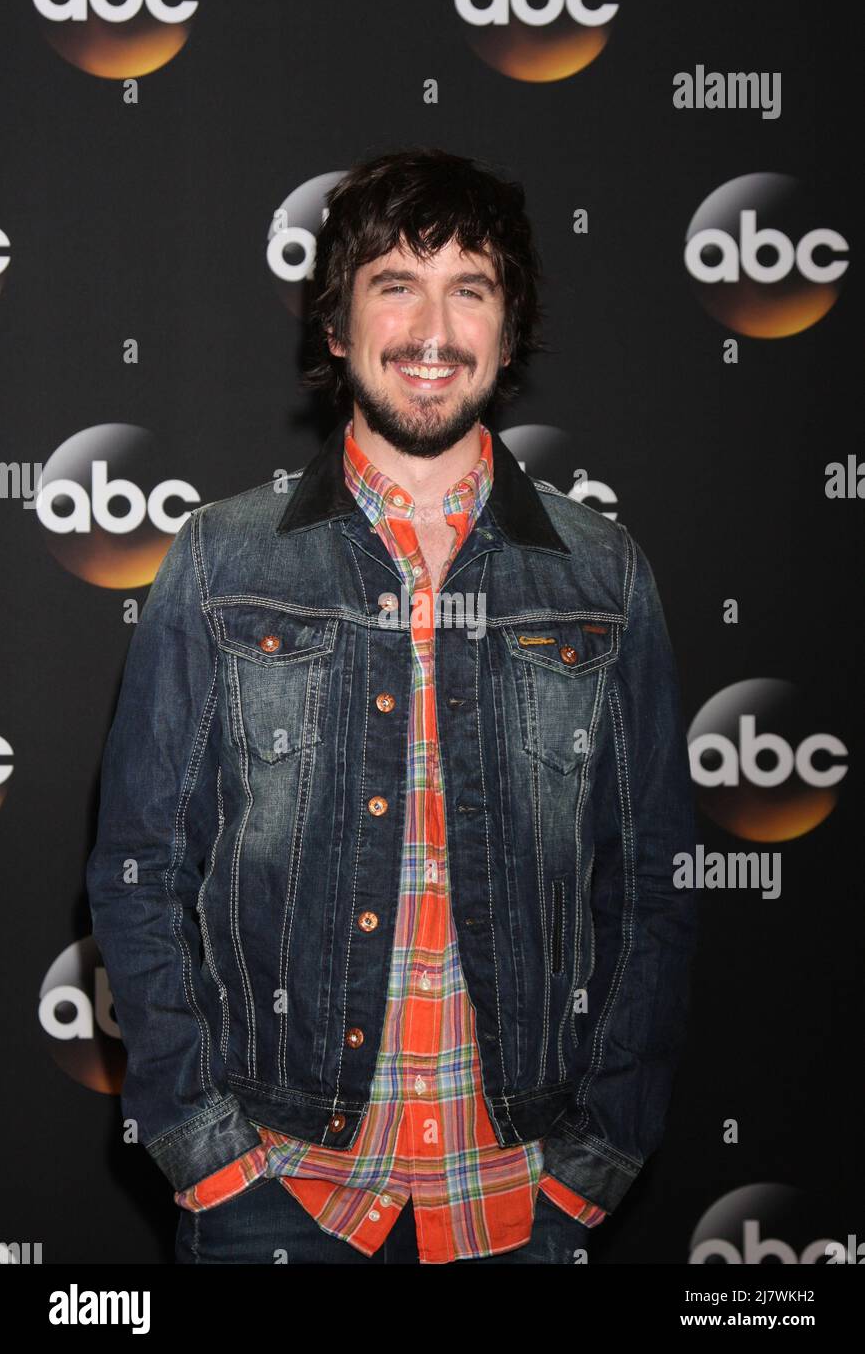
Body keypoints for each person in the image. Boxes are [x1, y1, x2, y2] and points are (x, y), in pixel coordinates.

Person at [86, 147, 700, 1265]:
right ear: (335, 325)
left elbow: (649, 886)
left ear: (506, 333)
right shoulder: (220, 561)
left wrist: (599, 1154)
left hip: (520, 1200)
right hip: (276, 1189)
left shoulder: (600, 574)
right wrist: (202, 1150)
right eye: (394, 285)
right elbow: (137, 871)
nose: (433, 329)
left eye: (469, 287)